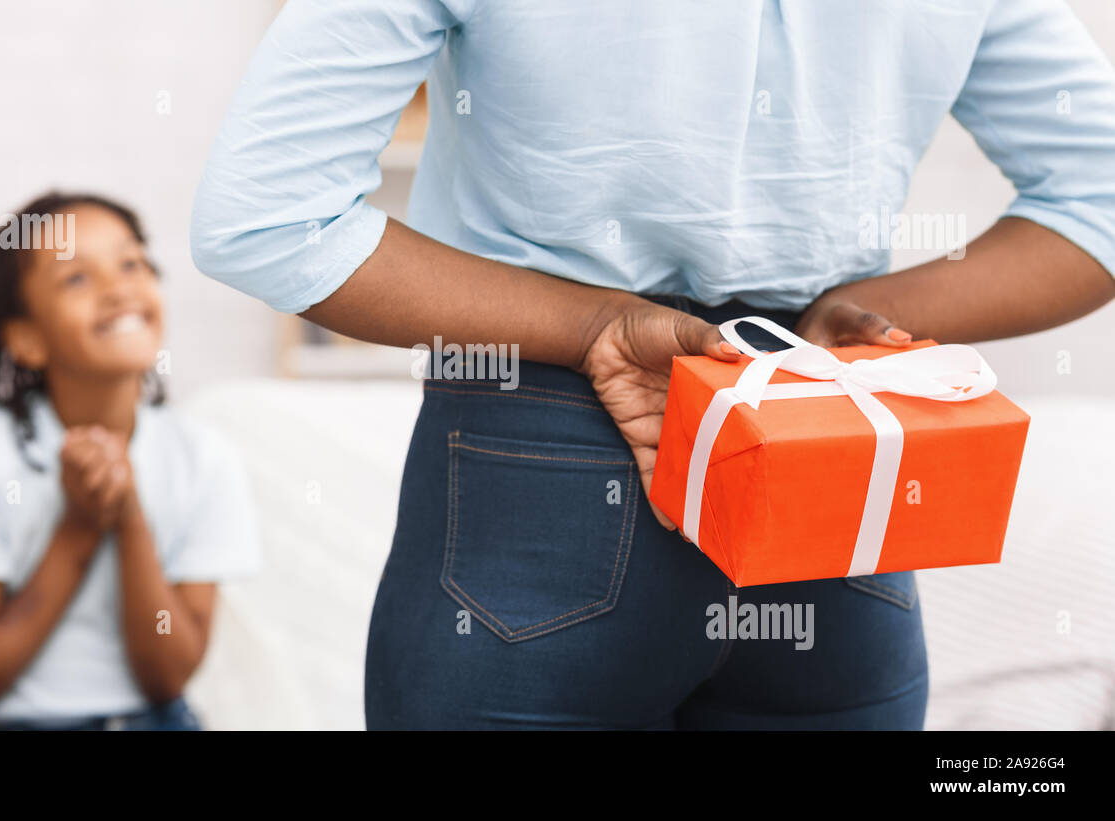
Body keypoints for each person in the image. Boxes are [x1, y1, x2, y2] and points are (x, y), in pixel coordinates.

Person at [190, 0, 1115, 729]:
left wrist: (599, 324)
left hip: (540, 464)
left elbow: (267, 219)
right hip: (821, 456)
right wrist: (860, 322)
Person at [0, 192, 261, 730]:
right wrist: (78, 526)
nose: (119, 289)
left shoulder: (204, 458)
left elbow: (168, 676)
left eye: (131, 263)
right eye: (76, 278)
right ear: (26, 338)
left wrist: (128, 514)